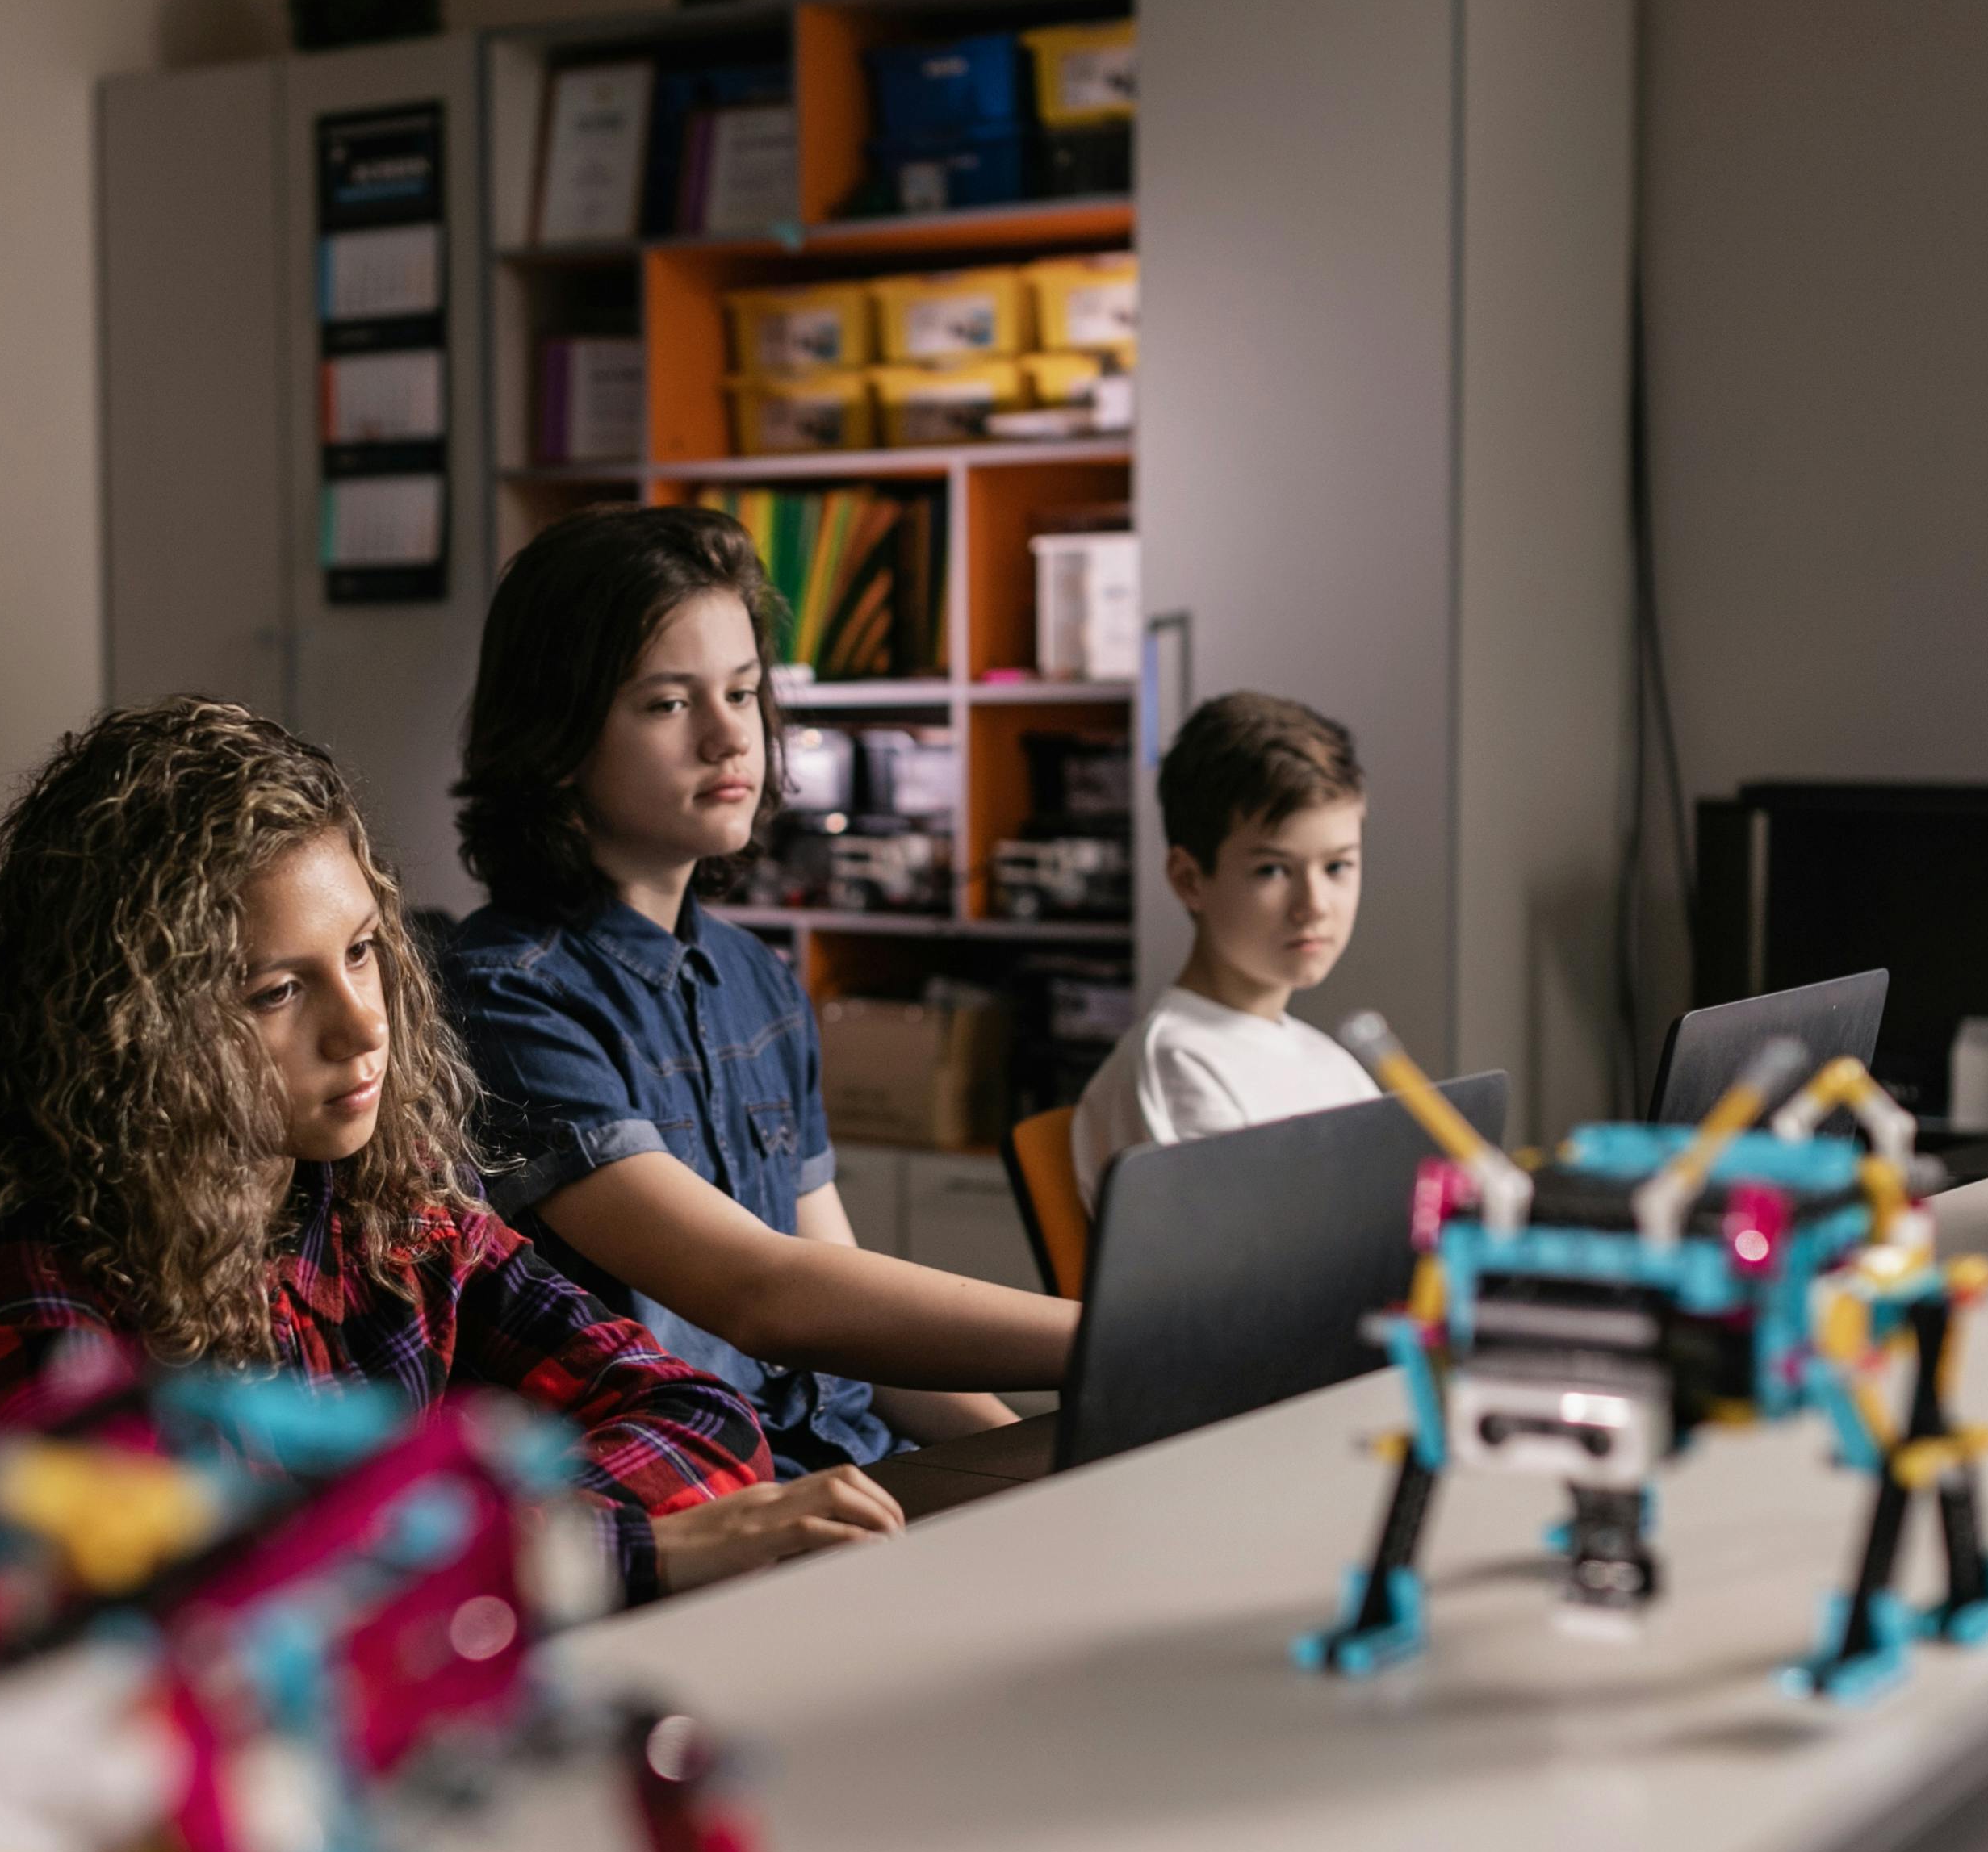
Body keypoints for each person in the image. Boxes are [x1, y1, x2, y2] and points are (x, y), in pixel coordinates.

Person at [0, 697, 903, 1599]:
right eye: (277, 989)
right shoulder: (22, 1250)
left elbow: (698, 1414)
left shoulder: (381, 1204)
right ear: (130, 1026)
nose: (364, 1027)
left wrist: (463, 1559)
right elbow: (183, 1601)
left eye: (360, 951)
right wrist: (602, 1550)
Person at [443, 504, 1076, 1473]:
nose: (728, 737)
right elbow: (765, 1295)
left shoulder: (758, 981)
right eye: (667, 703)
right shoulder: (504, 997)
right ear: (556, 736)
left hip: (844, 1460)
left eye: (742, 692)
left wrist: (1038, 1458)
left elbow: (847, 1307)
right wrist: (1113, 1334)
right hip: (709, 1500)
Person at [1071, 692, 1379, 1206]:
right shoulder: (1179, 1066)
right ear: (1191, 880)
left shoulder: (1332, 1065)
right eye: (1273, 870)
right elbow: (1248, 1281)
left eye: (1337, 867)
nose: (1315, 905)